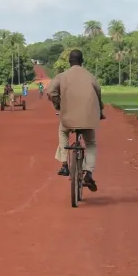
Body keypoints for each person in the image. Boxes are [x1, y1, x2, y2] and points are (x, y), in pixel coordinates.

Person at [47, 49, 104, 191]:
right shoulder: (91, 76)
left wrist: (58, 105)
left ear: (69, 61)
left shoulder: (62, 76)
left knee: (63, 132)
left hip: (68, 117)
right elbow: (98, 94)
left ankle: (65, 164)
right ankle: (89, 172)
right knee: (90, 143)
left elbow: (50, 91)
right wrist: (100, 111)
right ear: (82, 61)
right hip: (88, 118)